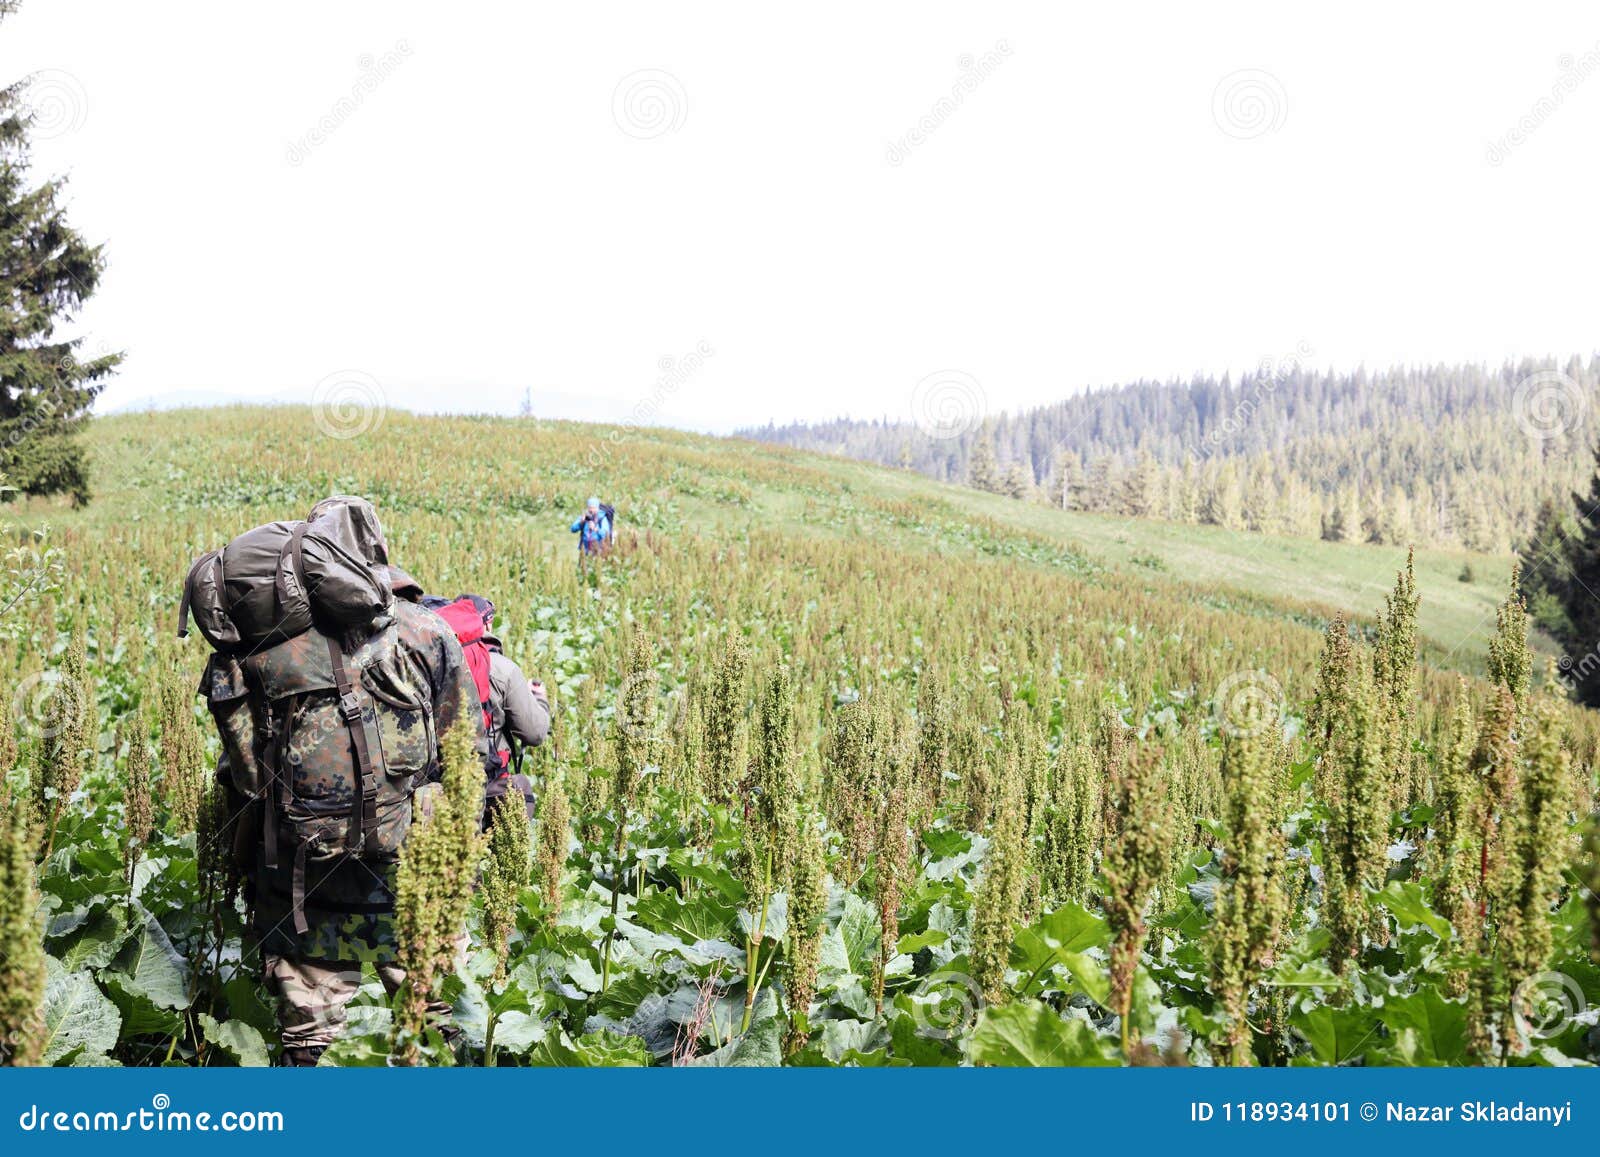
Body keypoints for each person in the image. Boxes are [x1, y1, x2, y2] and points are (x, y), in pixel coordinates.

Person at [192, 498, 486, 1066]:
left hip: (302, 885)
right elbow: (466, 759)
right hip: (413, 874)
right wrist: (458, 866)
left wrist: (244, 870)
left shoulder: (264, 646)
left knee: (311, 1046)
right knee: (432, 1028)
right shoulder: (427, 630)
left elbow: (245, 779)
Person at [427, 593, 551, 822]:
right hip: (489, 787)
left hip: (432, 785)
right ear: (486, 623)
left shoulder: (426, 661)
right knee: (519, 789)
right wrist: (540, 700)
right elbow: (534, 732)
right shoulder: (503, 669)